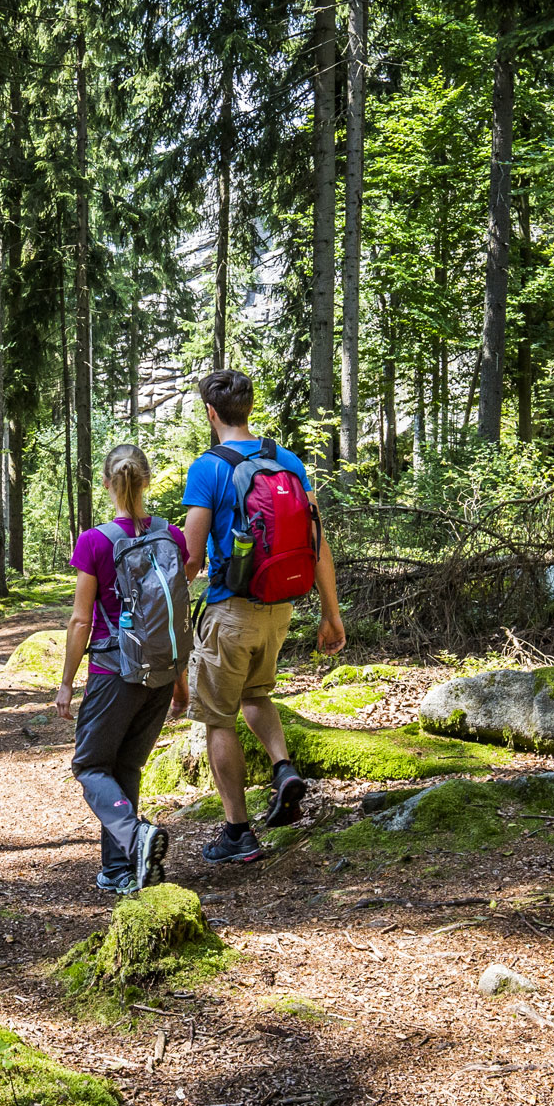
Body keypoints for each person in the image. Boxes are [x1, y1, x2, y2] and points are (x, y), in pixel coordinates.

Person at [179, 369, 346, 864]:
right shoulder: (288, 460)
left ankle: (237, 832)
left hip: (230, 609)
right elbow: (317, 544)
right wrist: (331, 616)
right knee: (256, 693)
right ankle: (282, 767)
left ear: (211, 412)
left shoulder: (207, 468)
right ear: (248, 408)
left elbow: (190, 557)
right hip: (280, 608)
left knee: (216, 719)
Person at [54, 444, 189, 895]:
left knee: (91, 765)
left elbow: (79, 620)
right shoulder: (173, 537)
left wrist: (67, 683)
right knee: (126, 766)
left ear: (108, 485)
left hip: (114, 672)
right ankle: (121, 870)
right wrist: (181, 681)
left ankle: (135, 837)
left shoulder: (95, 541)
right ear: (147, 481)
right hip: (161, 672)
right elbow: (174, 615)